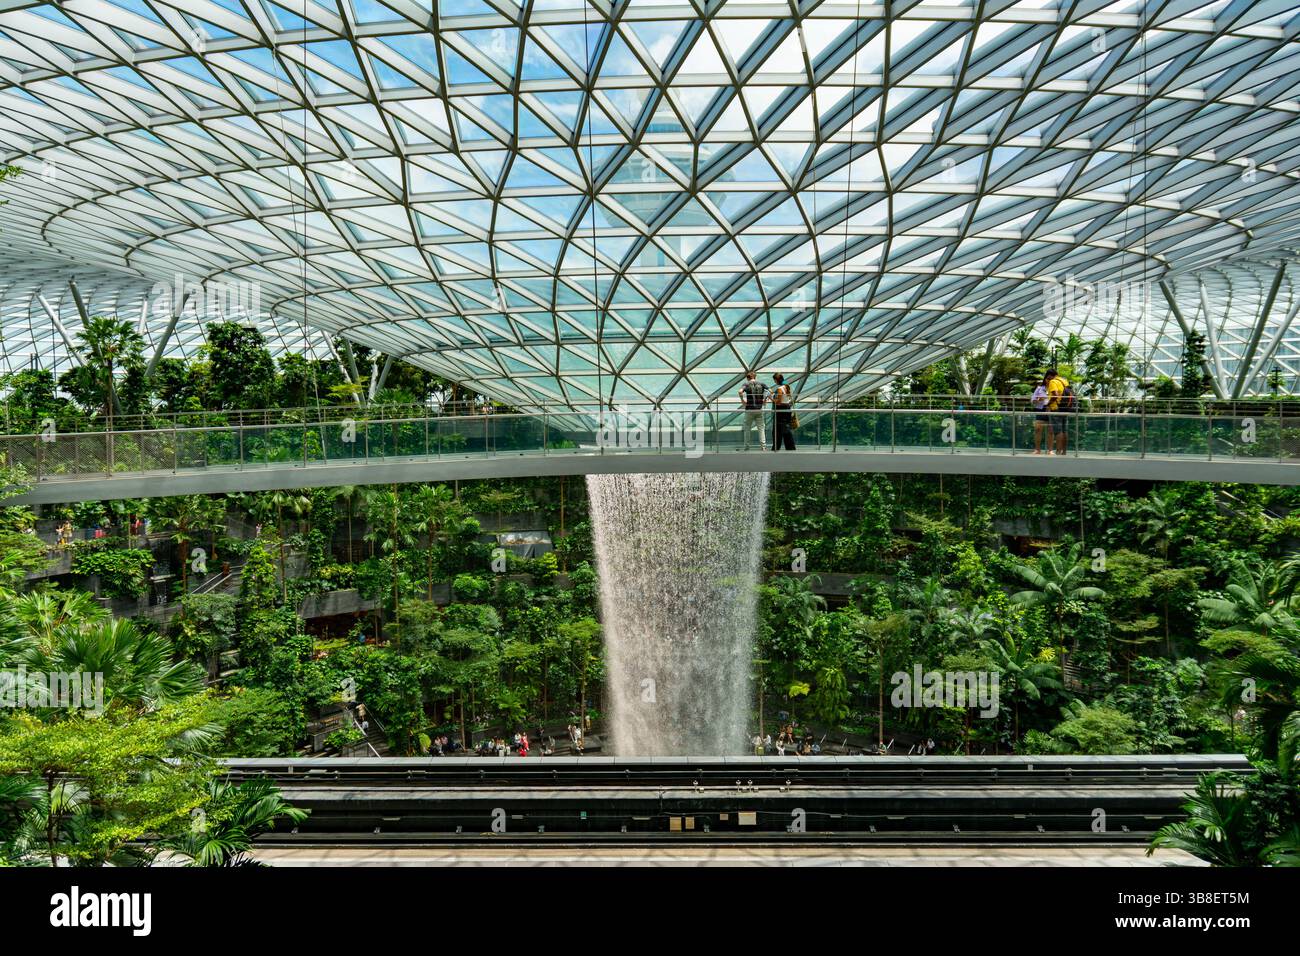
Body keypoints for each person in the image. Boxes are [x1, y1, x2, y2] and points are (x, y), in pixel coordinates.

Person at [738, 371, 768, 450]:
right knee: (761, 428)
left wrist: (743, 400)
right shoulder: (762, 384)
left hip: (749, 409)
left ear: (748, 377)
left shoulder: (746, 384)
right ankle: (763, 446)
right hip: (759, 409)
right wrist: (765, 400)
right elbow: (770, 391)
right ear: (755, 377)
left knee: (747, 428)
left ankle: (747, 446)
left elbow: (740, 391)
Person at [1045, 368, 1070, 456]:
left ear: (1049, 375)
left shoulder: (1053, 382)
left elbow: (1055, 395)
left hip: (1056, 408)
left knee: (1058, 431)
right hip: (1065, 407)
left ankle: (1058, 451)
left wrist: (1048, 404)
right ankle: (1064, 451)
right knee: (1064, 430)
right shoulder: (1064, 381)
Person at [771, 373, 796, 451]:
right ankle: (790, 447)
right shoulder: (787, 386)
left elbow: (778, 402)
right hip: (787, 409)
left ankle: (776, 447)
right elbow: (786, 399)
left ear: (776, 380)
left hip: (780, 410)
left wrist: (771, 397)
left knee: (777, 430)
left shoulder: (779, 389)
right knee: (786, 429)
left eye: (774, 380)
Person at [1030, 377, 1050, 454]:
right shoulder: (1039, 388)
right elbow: (1032, 400)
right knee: (1038, 429)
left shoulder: (1055, 388)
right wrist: (1038, 400)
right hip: (1040, 409)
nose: (1048, 381)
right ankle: (1037, 449)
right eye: (1047, 379)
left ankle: (1050, 450)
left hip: (1051, 409)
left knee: (1050, 431)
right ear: (1045, 379)